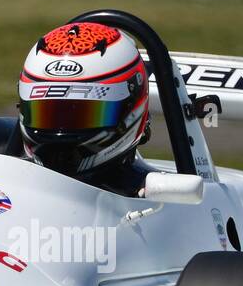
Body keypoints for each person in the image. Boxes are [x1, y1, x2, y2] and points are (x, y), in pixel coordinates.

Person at [16, 22, 156, 196]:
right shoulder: (7, 177)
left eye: (80, 115)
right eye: (48, 114)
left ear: (130, 108)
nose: (60, 134)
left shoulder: (155, 194)